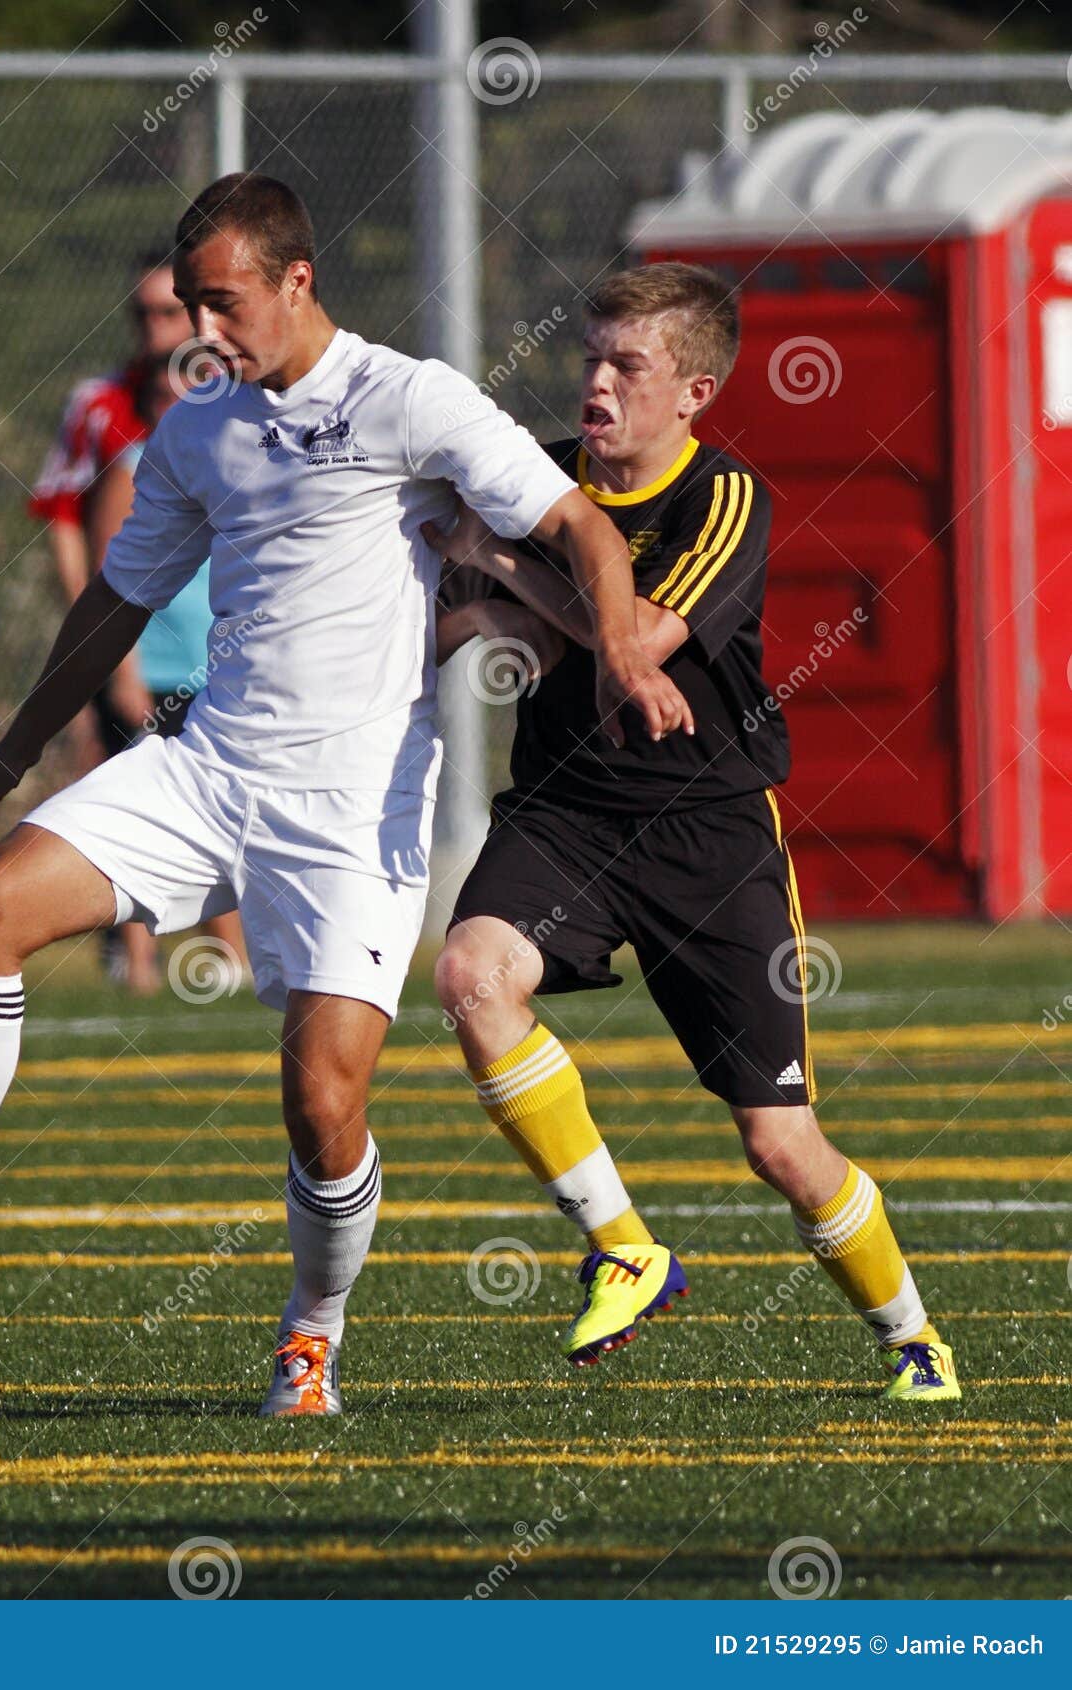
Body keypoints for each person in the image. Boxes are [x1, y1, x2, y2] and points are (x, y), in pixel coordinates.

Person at [0, 175, 691, 1419]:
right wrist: (19, 746)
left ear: (297, 281)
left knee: (322, 1101)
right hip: (205, 767)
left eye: (225, 301)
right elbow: (116, 602)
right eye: (193, 304)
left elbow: (585, 527)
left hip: (351, 810)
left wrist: (624, 648)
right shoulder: (200, 430)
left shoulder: (407, 398)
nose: (206, 329)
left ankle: (311, 1335)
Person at [426, 261, 958, 1403]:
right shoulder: (545, 477)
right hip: (566, 811)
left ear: (695, 392)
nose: (600, 384)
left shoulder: (723, 498)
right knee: (471, 973)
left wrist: (499, 565)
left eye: (631, 364)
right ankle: (624, 1244)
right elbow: (482, 613)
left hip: (708, 832)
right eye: (592, 357)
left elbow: (639, 636)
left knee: (779, 1143)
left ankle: (915, 1338)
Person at [31, 253, 191, 988]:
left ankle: (233, 958)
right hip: (126, 637)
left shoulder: (235, 399)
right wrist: (98, 636)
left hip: (213, 646)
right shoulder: (100, 406)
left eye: (169, 313)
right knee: (122, 784)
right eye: (142, 315)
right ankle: (138, 964)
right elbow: (66, 517)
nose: (154, 332)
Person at [89, 358, 247, 993]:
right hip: (149, 672)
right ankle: (142, 968)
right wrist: (123, 673)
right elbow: (111, 581)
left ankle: (230, 963)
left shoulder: (230, 466)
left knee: (222, 817)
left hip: (210, 668)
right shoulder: (130, 470)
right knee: (133, 815)